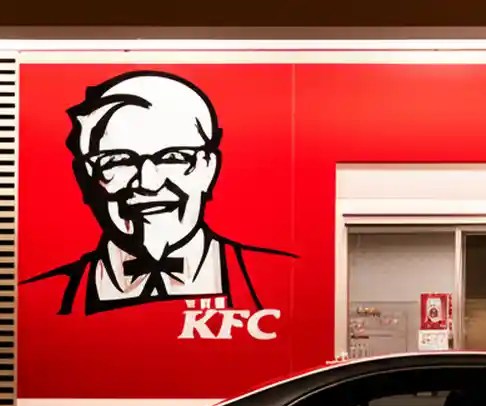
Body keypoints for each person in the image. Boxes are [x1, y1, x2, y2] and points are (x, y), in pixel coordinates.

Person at [21, 70, 296, 315]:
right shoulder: (36, 300)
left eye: (174, 157)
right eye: (118, 161)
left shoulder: (284, 279)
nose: (148, 183)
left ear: (209, 168)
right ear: (87, 179)